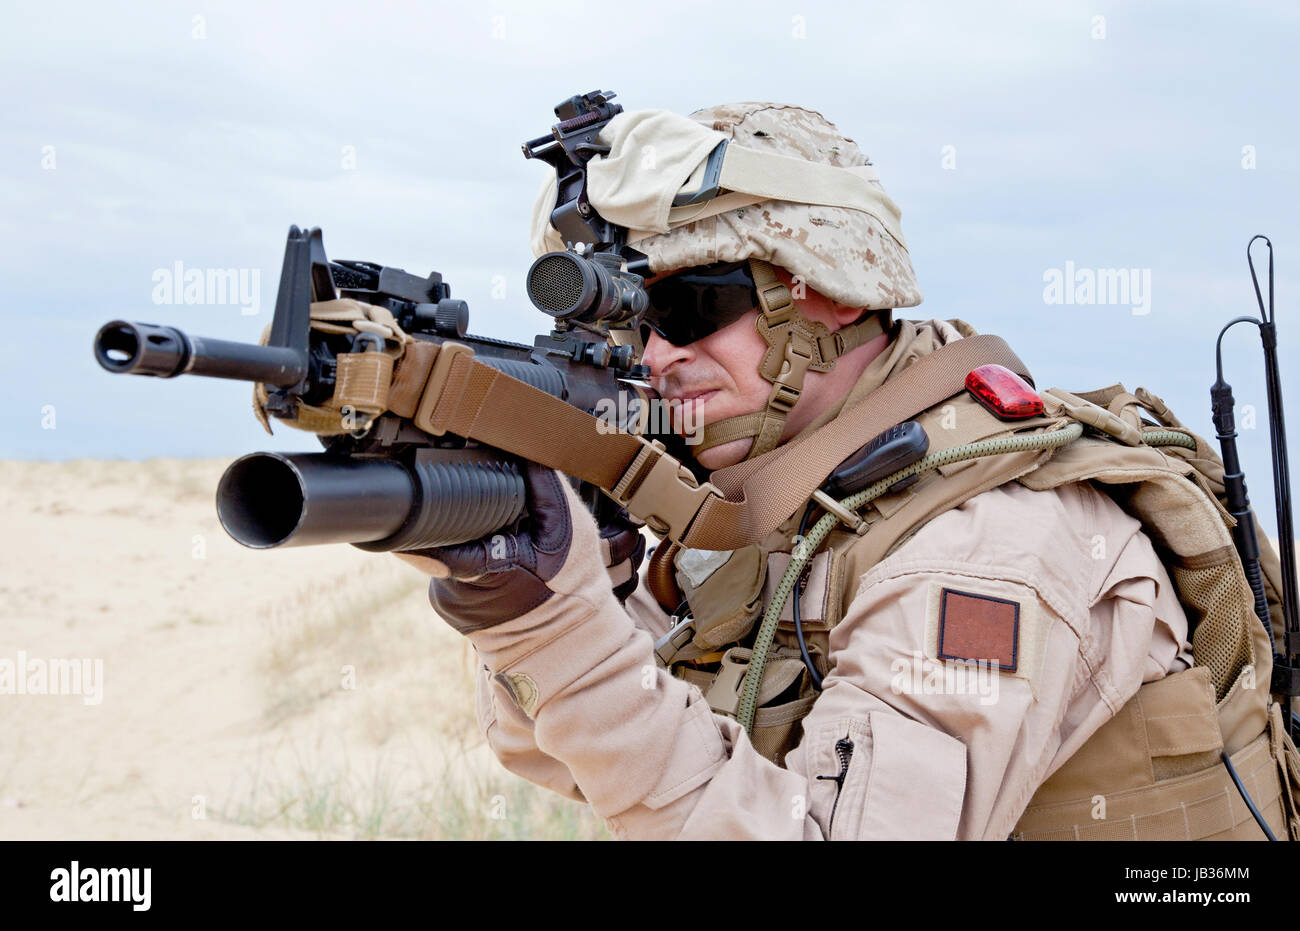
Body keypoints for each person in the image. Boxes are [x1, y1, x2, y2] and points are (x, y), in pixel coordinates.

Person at [396, 102, 1295, 840]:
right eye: (628, 326)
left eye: (686, 305)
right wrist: (531, 588)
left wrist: (559, 637)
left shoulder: (986, 543)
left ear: (825, 287)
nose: (654, 355)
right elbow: (566, 749)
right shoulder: (784, 503)